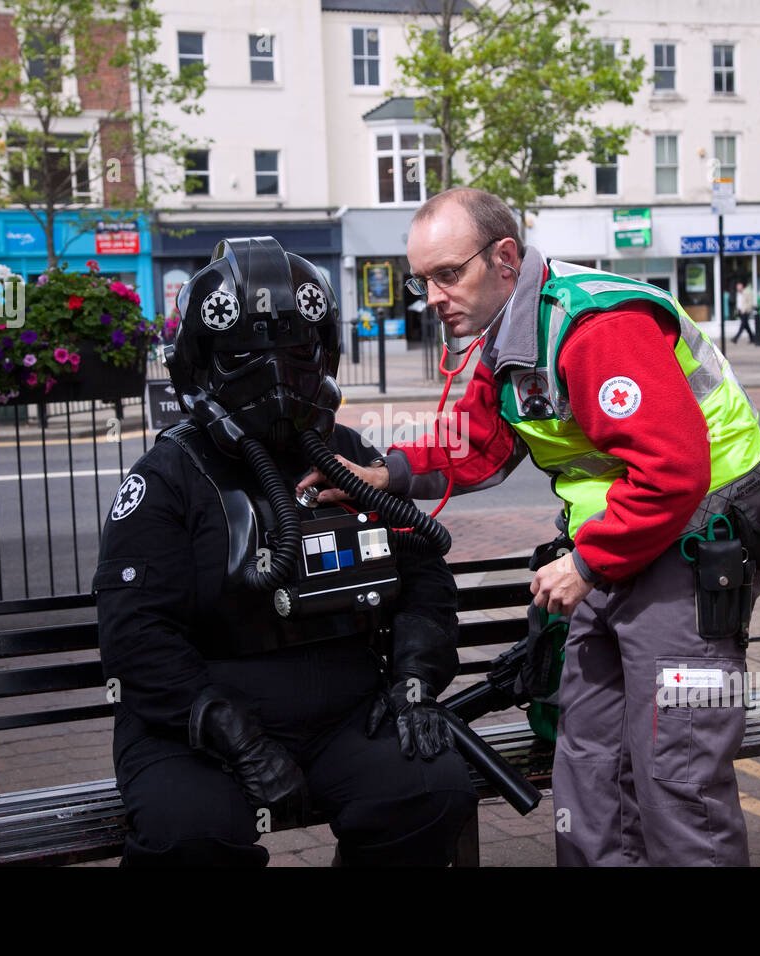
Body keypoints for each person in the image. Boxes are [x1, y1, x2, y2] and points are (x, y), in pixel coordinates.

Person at [298, 188, 760, 866]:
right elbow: (479, 441)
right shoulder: (513, 334)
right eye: (422, 281)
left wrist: (586, 564)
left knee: (678, 773)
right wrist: (383, 476)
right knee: (588, 762)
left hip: (691, 550)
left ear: (504, 258)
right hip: (619, 553)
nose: (432, 297)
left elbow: (673, 471)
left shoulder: (597, 328)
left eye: (447, 274)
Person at [95, 236, 477, 866]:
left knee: (429, 791)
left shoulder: (349, 457)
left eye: (296, 353)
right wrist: (231, 733)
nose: (274, 376)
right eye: (243, 356)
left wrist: (414, 678)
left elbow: (423, 578)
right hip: (201, 719)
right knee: (188, 834)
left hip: (345, 709)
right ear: (199, 364)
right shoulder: (168, 476)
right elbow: (134, 631)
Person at [731, 280, 757, 345]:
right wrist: (736, 311)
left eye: (739, 287)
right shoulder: (738, 294)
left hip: (745, 311)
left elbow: (750, 302)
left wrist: (747, 309)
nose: (738, 288)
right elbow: (738, 303)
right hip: (740, 312)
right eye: (737, 287)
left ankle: (735, 338)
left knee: (742, 325)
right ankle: (753, 338)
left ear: (742, 286)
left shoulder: (746, 292)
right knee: (746, 326)